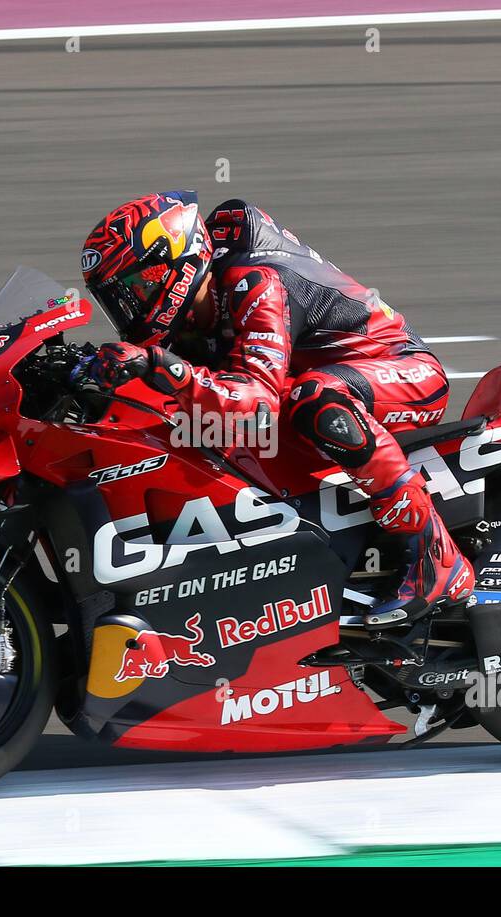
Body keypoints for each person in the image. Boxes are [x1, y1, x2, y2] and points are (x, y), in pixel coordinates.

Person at [80, 190, 472, 627]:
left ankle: (435, 555)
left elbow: (258, 404)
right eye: (114, 299)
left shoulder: (256, 281)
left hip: (403, 372)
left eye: (135, 289)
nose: (128, 308)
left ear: (173, 265)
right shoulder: (192, 312)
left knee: (315, 399)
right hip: (320, 384)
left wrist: (168, 370)